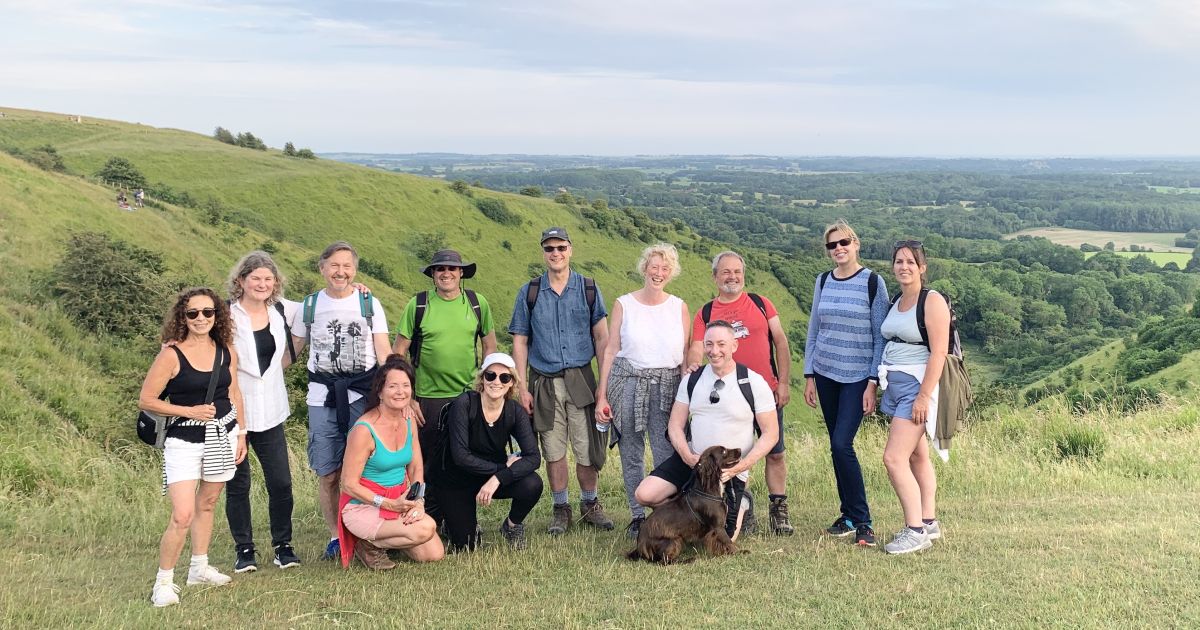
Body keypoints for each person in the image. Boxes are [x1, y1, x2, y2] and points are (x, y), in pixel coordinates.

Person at [138, 288, 247, 607]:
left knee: (208, 503)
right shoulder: (171, 354)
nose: (201, 319)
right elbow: (147, 399)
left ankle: (199, 567)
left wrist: (241, 433)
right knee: (182, 514)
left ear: (218, 316)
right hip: (184, 441)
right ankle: (163, 582)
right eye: (193, 313)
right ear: (182, 317)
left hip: (223, 434)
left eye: (208, 312)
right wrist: (189, 411)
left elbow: (235, 392)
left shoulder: (226, 349)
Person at [290, 241, 394, 566]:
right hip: (322, 398)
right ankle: (337, 535)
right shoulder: (308, 307)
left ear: (355, 270)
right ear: (321, 268)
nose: (341, 272)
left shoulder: (369, 304)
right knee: (329, 473)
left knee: (366, 470)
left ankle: (366, 535)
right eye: (334, 265)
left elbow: (384, 352)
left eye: (347, 266)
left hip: (363, 396)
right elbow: (291, 353)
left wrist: (398, 395)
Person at [509, 227, 613, 534]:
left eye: (561, 247)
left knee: (587, 447)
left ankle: (590, 504)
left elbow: (602, 339)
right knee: (553, 449)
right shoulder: (529, 292)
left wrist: (603, 389)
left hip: (581, 378)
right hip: (544, 382)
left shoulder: (589, 288)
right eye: (550, 248)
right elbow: (520, 341)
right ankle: (561, 508)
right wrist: (522, 389)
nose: (556, 253)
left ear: (571, 250)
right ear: (543, 252)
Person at [633, 321, 779, 540]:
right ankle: (689, 515)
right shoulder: (692, 380)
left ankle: (743, 503)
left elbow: (771, 433)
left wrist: (742, 466)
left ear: (734, 346)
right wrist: (686, 455)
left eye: (721, 344)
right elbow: (675, 425)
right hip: (694, 461)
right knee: (644, 494)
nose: (714, 351)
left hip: (731, 468)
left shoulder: (753, 382)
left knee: (726, 537)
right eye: (709, 344)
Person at [686, 251, 793, 535]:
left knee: (775, 453)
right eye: (725, 272)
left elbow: (781, 342)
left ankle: (778, 509)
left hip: (765, 393)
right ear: (715, 277)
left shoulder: (761, 304)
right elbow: (697, 344)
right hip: (727, 398)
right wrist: (695, 361)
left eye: (737, 272)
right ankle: (739, 506)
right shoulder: (706, 312)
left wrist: (783, 383)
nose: (732, 277)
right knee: (730, 457)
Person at [392, 248, 497, 520]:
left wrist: (486, 388)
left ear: (461, 273)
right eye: (440, 269)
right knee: (428, 463)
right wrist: (408, 398)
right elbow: (398, 353)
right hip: (428, 398)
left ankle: (461, 520)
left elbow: (490, 346)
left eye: (452, 268)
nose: (446, 273)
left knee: (465, 458)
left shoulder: (477, 303)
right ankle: (429, 519)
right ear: (433, 274)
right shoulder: (418, 305)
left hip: (468, 395)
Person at [802, 220, 889, 547]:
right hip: (825, 373)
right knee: (836, 447)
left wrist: (872, 382)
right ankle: (848, 515)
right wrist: (809, 374)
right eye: (831, 245)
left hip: (856, 377)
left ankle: (863, 520)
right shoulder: (823, 281)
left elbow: (880, 336)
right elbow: (814, 330)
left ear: (856, 244)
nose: (838, 249)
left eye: (843, 243)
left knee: (842, 444)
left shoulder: (872, 283)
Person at [595, 243, 689, 539]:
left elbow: (686, 354)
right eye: (654, 267)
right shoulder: (625, 303)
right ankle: (637, 515)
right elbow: (610, 350)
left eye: (665, 268)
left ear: (671, 273)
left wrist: (688, 396)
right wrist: (602, 395)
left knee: (666, 450)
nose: (658, 273)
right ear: (644, 268)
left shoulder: (679, 306)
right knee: (630, 450)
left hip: (668, 383)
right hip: (628, 380)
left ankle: (664, 513)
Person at [223, 251, 302, 572]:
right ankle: (244, 549)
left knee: (281, 482)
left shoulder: (283, 309)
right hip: (232, 411)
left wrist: (361, 288)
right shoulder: (225, 314)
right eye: (255, 278)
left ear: (276, 284)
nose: (262, 284)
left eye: (268, 279)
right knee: (237, 484)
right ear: (240, 281)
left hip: (271, 409)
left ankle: (283, 546)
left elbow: (322, 302)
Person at [339, 356, 444, 567]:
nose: (400, 392)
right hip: (363, 505)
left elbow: (416, 465)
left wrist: (419, 501)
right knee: (426, 528)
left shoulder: (408, 418)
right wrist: (387, 503)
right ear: (379, 391)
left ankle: (388, 538)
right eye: (393, 386)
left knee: (433, 553)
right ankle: (367, 543)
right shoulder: (363, 430)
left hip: (399, 499)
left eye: (406, 386)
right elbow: (347, 484)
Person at [878, 240, 949, 555]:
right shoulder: (897, 300)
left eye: (910, 261)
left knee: (893, 459)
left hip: (916, 389)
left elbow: (939, 353)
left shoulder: (931, 301)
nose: (903, 267)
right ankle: (929, 521)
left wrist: (923, 397)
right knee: (917, 457)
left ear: (922, 267)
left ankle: (914, 530)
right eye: (898, 261)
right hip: (894, 386)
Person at [431, 353, 543, 551]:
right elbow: (460, 457)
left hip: (491, 476)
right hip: (456, 479)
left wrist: (498, 477)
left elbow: (534, 457)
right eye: (490, 375)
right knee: (466, 546)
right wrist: (501, 467)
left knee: (532, 483)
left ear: (512, 383)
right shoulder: (464, 404)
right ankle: (451, 522)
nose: (496, 382)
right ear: (482, 379)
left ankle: (511, 526)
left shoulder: (514, 411)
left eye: (504, 377)